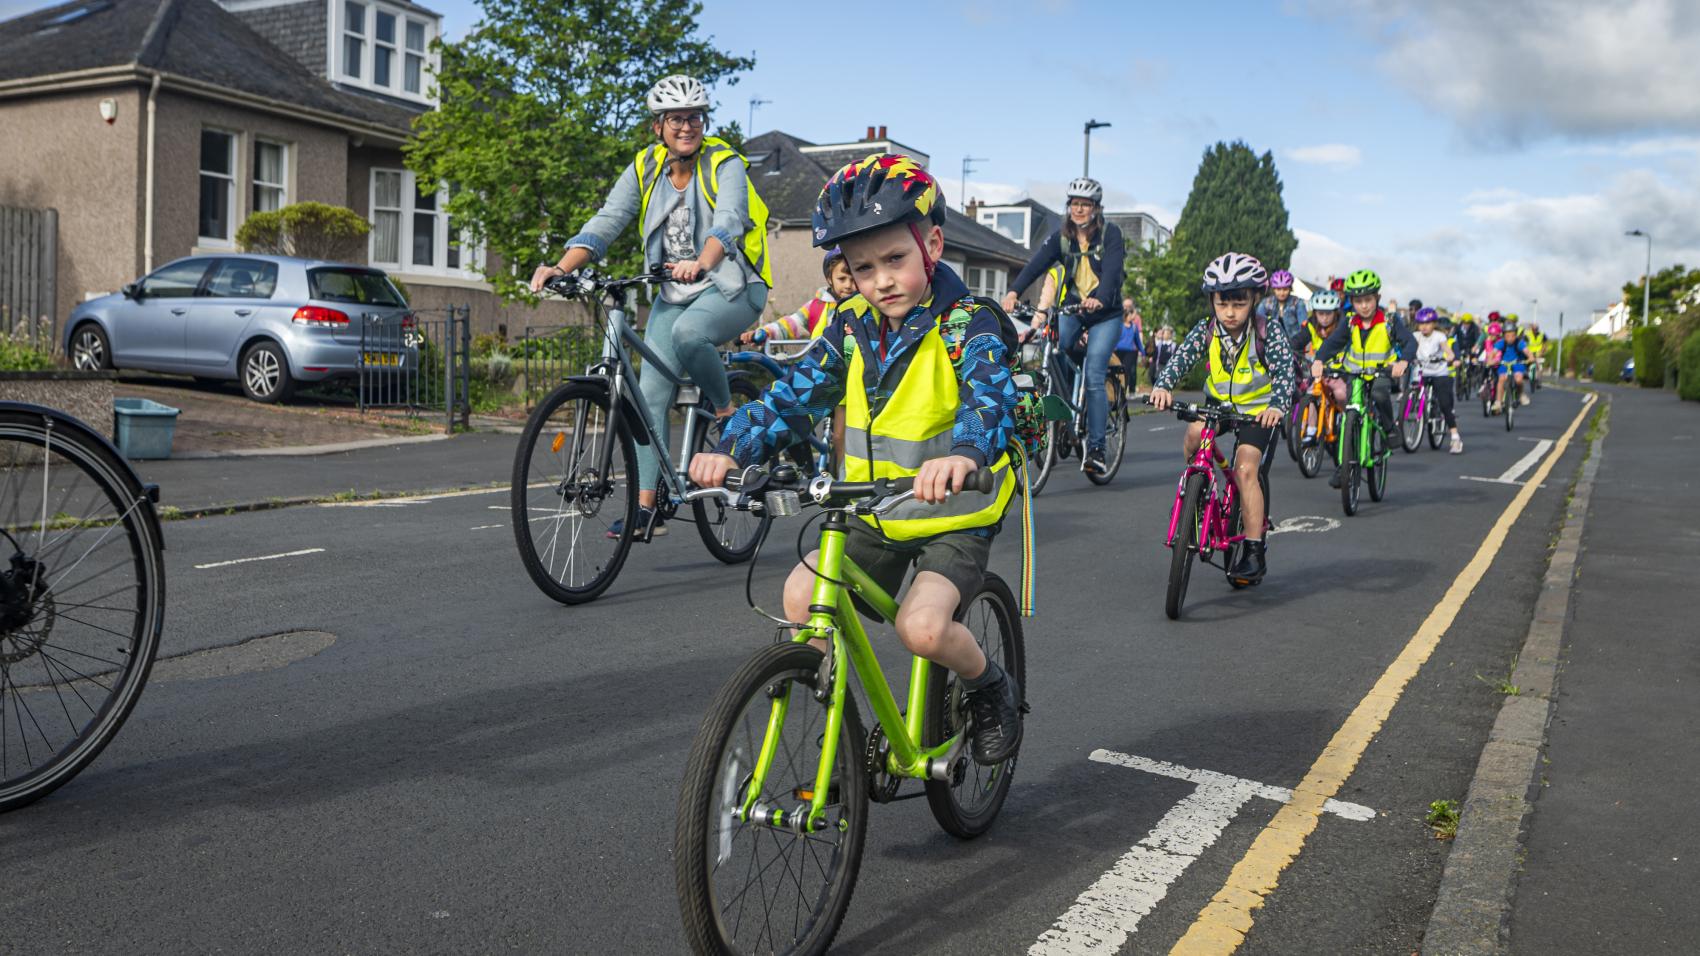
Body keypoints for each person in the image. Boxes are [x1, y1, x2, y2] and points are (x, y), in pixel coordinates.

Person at [689, 154, 1024, 765]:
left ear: (933, 245)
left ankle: (988, 687)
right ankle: (837, 742)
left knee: (922, 630)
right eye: (862, 269)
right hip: (871, 511)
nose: (881, 281)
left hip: (951, 513)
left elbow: (990, 394)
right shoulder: (850, 326)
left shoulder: (967, 323)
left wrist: (965, 454)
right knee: (799, 597)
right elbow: (797, 392)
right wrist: (730, 446)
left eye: (895, 260)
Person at [530, 75, 770, 540]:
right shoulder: (645, 167)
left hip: (732, 283)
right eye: (677, 119)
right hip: (674, 293)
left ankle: (726, 413)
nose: (687, 126)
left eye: (695, 117)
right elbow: (609, 219)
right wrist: (562, 266)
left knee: (688, 335)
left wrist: (702, 261)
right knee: (648, 399)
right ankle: (646, 508)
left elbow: (730, 219)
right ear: (657, 126)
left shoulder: (724, 162)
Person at [1150, 252, 1296, 585]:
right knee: (1193, 433)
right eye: (1222, 303)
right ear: (1213, 301)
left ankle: (1255, 549)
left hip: (1258, 413)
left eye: (1239, 303)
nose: (1229, 312)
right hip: (1219, 405)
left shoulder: (1267, 332)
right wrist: (1162, 386)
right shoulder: (1206, 330)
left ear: (1255, 299)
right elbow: (1179, 360)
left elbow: (1286, 373)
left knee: (1246, 469)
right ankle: (1197, 495)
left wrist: (1276, 407)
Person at [1002, 177, 1127, 476]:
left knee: (1095, 373)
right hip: (1074, 308)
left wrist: (1100, 298)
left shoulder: (1111, 235)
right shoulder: (1062, 238)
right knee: (1058, 347)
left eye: (1085, 204)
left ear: (1096, 208)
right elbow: (1036, 265)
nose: (1079, 209)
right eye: (1074, 203)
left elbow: (1112, 274)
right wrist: (1013, 292)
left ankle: (1095, 448)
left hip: (1104, 313)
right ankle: (1066, 410)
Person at [1311, 268, 1416, 488]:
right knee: (1348, 416)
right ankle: (1343, 465)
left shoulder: (1389, 320)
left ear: (1377, 298)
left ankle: (1388, 427)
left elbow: (1410, 342)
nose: (1364, 305)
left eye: (1368, 300)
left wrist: (1403, 362)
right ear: (1352, 302)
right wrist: (1319, 359)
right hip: (1355, 375)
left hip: (1381, 373)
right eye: (1358, 301)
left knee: (1379, 394)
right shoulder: (1349, 322)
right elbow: (1333, 344)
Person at [741, 247, 853, 346]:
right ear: (829, 279)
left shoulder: (864, 306)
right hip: (821, 367)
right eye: (842, 279)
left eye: (854, 280)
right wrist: (766, 332)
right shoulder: (815, 307)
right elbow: (791, 324)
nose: (848, 285)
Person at [1293, 289, 1344, 442]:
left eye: (1328, 313)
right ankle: (1311, 429)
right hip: (1318, 370)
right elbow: (1297, 340)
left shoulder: (1343, 326)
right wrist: (1287, 348)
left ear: (1336, 313)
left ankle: (1347, 420)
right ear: (1314, 313)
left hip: (1339, 370)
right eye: (1320, 313)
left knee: (1341, 393)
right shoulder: (1311, 326)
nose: (1324, 318)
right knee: (1310, 393)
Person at [1411, 308, 1463, 453]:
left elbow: (1449, 352)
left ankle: (1455, 437)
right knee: (1413, 390)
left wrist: (1450, 357)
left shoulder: (1439, 336)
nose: (1424, 327)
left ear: (1434, 323)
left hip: (1439, 372)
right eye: (1421, 323)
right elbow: (1408, 349)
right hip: (1422, 371)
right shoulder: (1415, 336)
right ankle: (1408, 412)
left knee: (1445, 404)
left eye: (1427, 323)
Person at [1489, 324, 1532, 411]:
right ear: (1503, 336)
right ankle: (1498, 402)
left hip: (1517, 364)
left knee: (1519, 379)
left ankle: (1521, 394)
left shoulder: (1519, 343)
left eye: (1512, 335)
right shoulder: (1501, 343)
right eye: (1507, 336)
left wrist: (1531, 358)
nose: (1510, 338)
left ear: (1515, 335)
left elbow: (1527, 351)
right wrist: (1490, 360)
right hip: (1504, 364)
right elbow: (1493, 353)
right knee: (1501, 379)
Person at [1257, 270, 1309, 340]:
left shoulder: (1298, 303)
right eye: (1278, 289)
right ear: (1274, 289)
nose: (1282, 293)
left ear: (1290, 289)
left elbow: (1304, 326)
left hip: (1294, 343)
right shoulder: (1265, 303)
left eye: (1285, 289)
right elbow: (1258, 324)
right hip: (1271, 341)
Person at [1115, 298, 1145, 390]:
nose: (1133, 316)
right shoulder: (1119, 325)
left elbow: (1138, 342)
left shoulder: (1134, 327)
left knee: (1126, 371)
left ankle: (1123, 390)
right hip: (1118, 351)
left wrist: (1143, 353)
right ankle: (1115, 388)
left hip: (1130, 352)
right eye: (1131, 314)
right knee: (1116, 371)